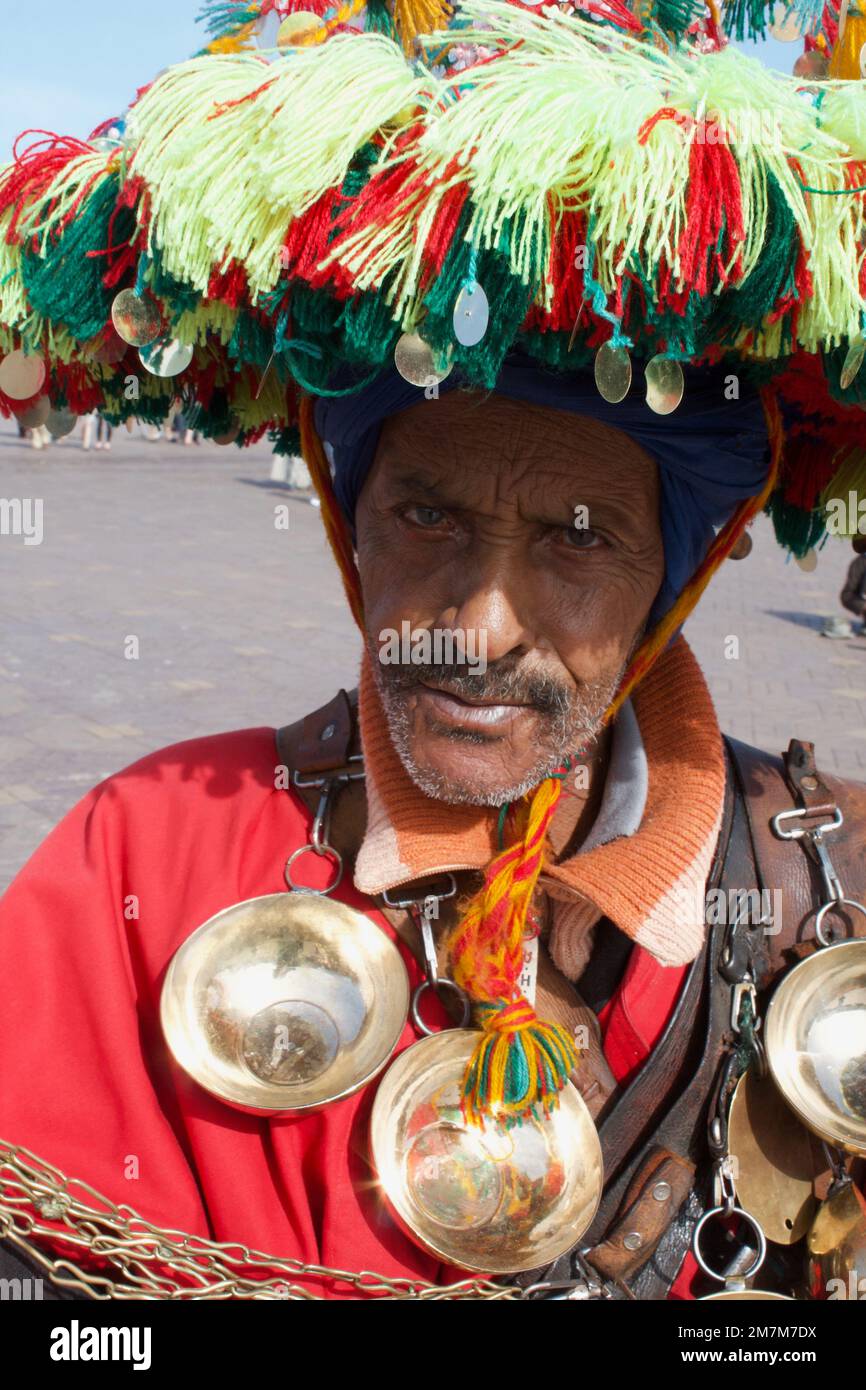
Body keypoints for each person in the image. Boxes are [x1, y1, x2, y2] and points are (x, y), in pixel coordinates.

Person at [1, 0, 865, 1304]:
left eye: (577, 541)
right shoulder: (147, 854)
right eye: (424, 518)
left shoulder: (834, 891)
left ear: (677, 574)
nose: (476, 627)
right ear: (349, 521)